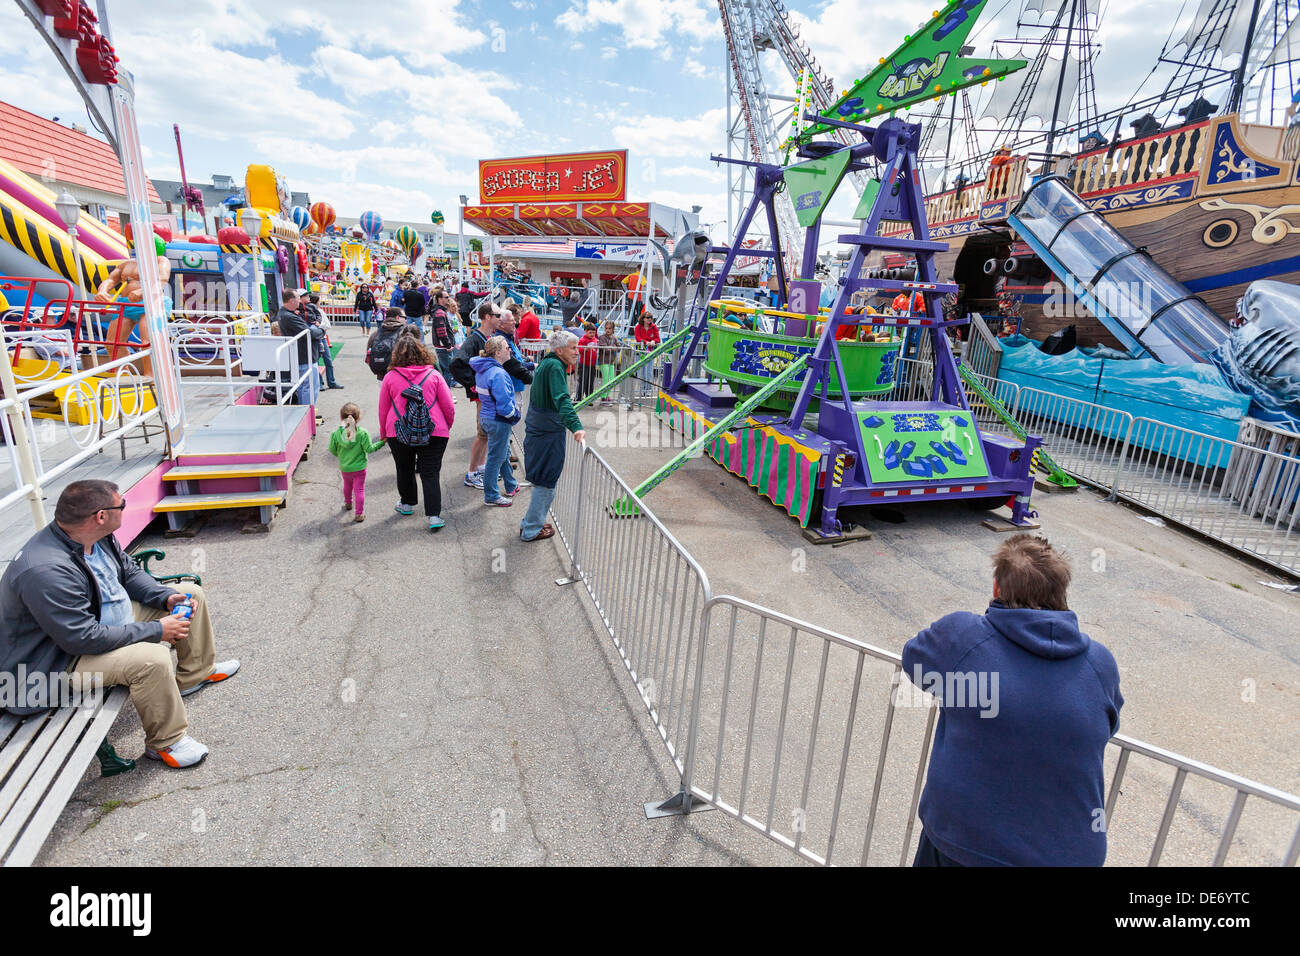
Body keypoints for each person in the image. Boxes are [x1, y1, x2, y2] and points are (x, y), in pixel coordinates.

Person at [903, 534, 1122, 867]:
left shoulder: (963, 637)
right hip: (1069, 855)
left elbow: (914, 661)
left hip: (965, 845)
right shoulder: (1100, 663)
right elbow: (1108, 723)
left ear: (996, 589)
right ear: (1062, 594)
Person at [0, 480, 240, 768]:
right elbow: (81, 639)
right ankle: (167, 743)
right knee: (151, 659)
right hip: (52, 663)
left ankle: (195, 674)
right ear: (100, 516)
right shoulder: (45, 570)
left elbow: (128, 573)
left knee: (190, 594)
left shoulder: (94, 535)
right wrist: (157, 630)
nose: (125, 507)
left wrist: (166, 598)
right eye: (122, 504)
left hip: (96, 624)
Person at [377, 336, 456, 531]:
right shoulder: (434, 375)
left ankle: (407, 503)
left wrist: (383, 432)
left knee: (404, 468)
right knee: (430, 472)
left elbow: (383, 408)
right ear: (423, 352)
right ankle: (434, 516)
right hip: (434, 429)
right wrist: (446, 426)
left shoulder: (390, 377)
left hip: (398, 430)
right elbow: (448, 406)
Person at [520, 330, 586, 542]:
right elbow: (562, 399)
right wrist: (576, 426)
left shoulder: (549, 364)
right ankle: (531, 528)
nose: (577, 351)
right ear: (559, 350)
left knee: (543, 479)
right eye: (573, 348)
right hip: (547, 431)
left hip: (540, 427)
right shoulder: (555, 367)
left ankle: (530, 523)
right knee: (546, 482)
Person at [450, 302, 500, 489]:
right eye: (496, 315)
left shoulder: (486, 337)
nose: (499, 318)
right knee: (482, 433)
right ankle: (472, 473)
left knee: (485, 434)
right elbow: (456, 363)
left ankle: (481, 468)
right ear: (487, 317)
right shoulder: (474, 340)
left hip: (486, 396)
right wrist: (473, 384)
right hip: (482, 397)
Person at [470, 335, 521, 507]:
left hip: (486, 417)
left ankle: (510, 484)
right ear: (498, 352)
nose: (510, 350)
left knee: (502, 452)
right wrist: (515, 415)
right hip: (497, 420)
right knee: (495, 457)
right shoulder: (498, 373)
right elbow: (504, 404)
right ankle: (491, 495)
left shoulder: (482, 369)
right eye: (507, 347)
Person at [328, 402, 386, 523]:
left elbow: (332, 449)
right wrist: (382, 442)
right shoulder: (362, 433)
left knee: (347, 486)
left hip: (345, 467)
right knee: (359, 490)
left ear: (341, 418)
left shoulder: (336, 434)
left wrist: (341, 456)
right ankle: (359, 514)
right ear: (358, 418)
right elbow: (369, 449)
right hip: (359, 468)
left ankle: (348, 503)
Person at [275, 289, 316, 406]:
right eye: (298, 299)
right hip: (303, 356)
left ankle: (308, 410)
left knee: (306, 387)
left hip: (301, 355)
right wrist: (321, 331)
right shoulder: (289, 316)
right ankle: (307, 411)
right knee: (308, 387)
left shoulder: (286, 314)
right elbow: (309, 332)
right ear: (292, 301)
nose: (300, 302)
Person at [303, 292, 343, 389]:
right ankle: (319, 382)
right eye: (319, 301)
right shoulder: (306, 313)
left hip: (322, 339)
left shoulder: (320, 312)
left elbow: (327, 325)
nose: (320, 302)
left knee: (328, 360)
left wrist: (319, 326)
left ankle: (331, 381)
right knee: (315, 361)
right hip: (314, 339)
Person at [428, 290, 460, 389]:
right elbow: (441, 331)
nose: (448, 299)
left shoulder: (439, 312)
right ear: (440, 299)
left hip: (442, 346)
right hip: (444, 347)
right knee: (447, 370)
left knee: (445, 370)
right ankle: (446, 393)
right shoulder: (440, 313)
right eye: (446, 297)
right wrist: (448, 345)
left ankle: (444, 393)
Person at [365, 307, 407, 381]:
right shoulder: (405, 333)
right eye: (404, 317)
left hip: (381, 377)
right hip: (401, 377)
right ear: (397, 317)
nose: (406, 320)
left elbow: (368, 356)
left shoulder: (376, 333)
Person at [597, 319, 620, 402]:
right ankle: (603, 396)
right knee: (606, 379)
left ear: (613, 329)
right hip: (603, 361)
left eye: (610, 328)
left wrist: (614, 348)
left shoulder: (614, 337)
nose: (608, 330)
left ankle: (607, 395)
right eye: (606, 328)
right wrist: (612, 348)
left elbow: (619, 348)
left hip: (611, 361)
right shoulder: (602, 337)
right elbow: (604, 349)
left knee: (612, 379)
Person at [576, 321, 599, 400]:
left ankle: (589, 399)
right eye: (590, 332)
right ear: (585, 331)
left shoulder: (595, 339)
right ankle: (578, 398)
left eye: (593, 332)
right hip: (584, 364)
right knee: (582, 381)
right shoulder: (582, 340)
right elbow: (579, 350)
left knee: (590, 382)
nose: (592, 334)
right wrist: (586, 349)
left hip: (592, 364)